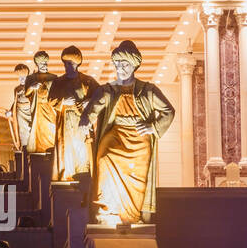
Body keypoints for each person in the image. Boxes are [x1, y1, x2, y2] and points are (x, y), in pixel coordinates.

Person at [80, 41, 174, 225]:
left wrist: (153, 127)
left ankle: (132, 215)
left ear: (134, 65)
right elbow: (92, 108)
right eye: (118, 64)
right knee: (104, 159)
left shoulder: (148, 90)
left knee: (137, 180)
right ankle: (107, 209)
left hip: (140, 139)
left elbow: (168, 111)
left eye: (125, 64)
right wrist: (85, 119)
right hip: (115, 134)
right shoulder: (107, 90)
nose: (121, 68)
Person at [47, 46, 98, 180]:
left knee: (83, 152)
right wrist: (63, 101)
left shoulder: (88, 81)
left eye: (70, 64)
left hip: (82, 122)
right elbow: (51, 99)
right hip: (65, 123)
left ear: (76, 64)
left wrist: (89, 102)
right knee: (67, 151)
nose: (67, 66)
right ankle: (67, 176)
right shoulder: (58, 82)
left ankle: (84, 176)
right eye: (65, 63)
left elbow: (101, 97)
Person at [22, 50, 57, 154]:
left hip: (50, 108)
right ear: (37, 64)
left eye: (46, 63)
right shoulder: (31, 78)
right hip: (37, 109)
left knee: (51, 129)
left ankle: (51, 150)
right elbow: (26, 94)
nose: (44, 65)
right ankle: (39, 151)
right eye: (42, 63)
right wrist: (32, 87)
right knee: (38, 131)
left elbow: (58, 93)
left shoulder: (53, 77)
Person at [7, 63, 33, 152]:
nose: (21, 79)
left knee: (31, 130)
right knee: (22, 132)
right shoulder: (17, 89)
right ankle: (24, 147)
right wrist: (10, 111)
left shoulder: (32, 87)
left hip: (30, 111)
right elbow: (15, 102)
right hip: (20, 112)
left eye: (24, 77)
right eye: (20, 77)